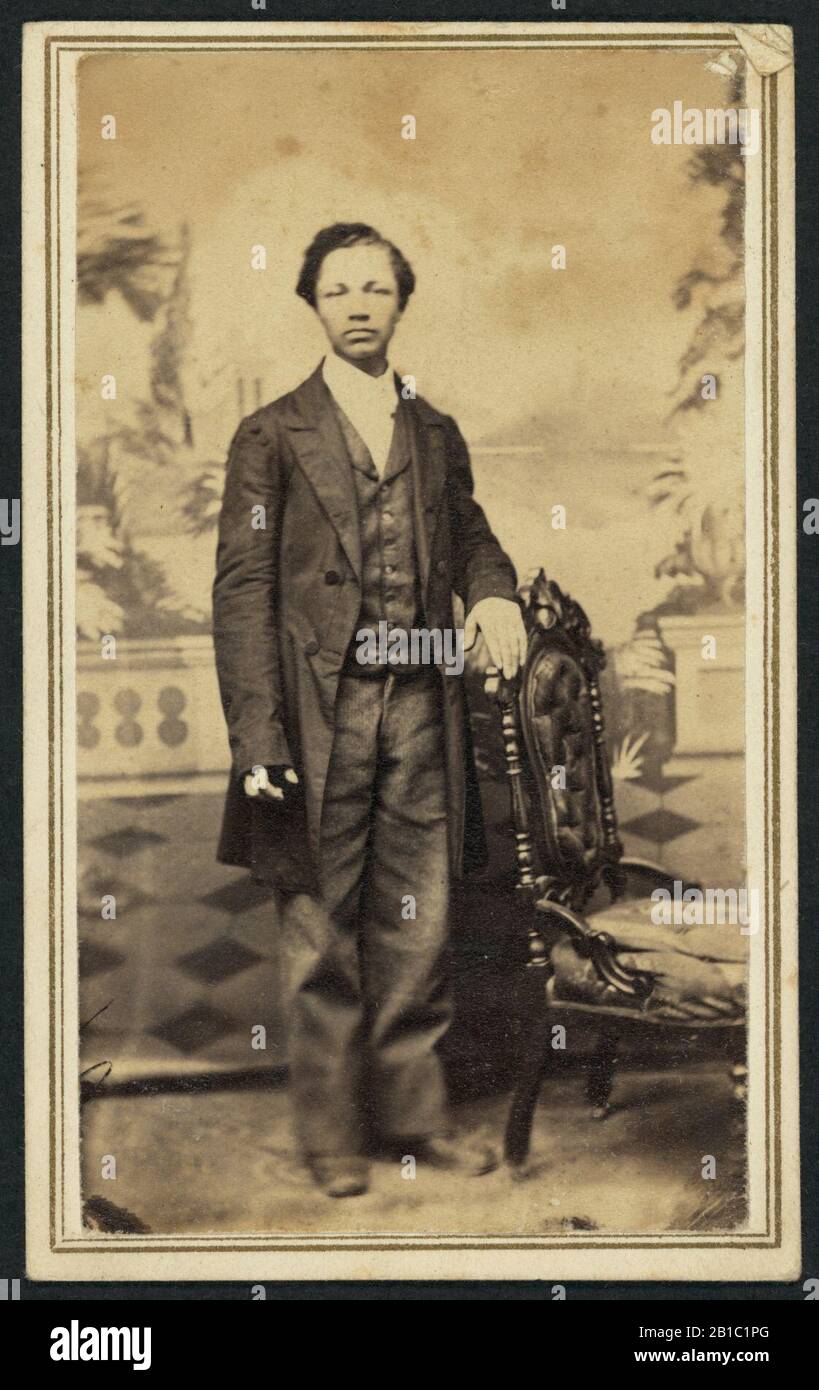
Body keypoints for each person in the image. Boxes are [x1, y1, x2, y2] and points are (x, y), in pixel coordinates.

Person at [212, 223, 527, 1197]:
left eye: (377, 290)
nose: (358, 305)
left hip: (422, 710)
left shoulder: (432, 431)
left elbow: (472, 535)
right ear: (312, 301)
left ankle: (417, 1115)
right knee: (318, 930)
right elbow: (240, 595)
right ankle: (331, 1132)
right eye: (340, 289)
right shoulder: (269, 435)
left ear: (400, 304)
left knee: (419, 924)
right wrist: (261, 744)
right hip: (314, 717)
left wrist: (495, 593)